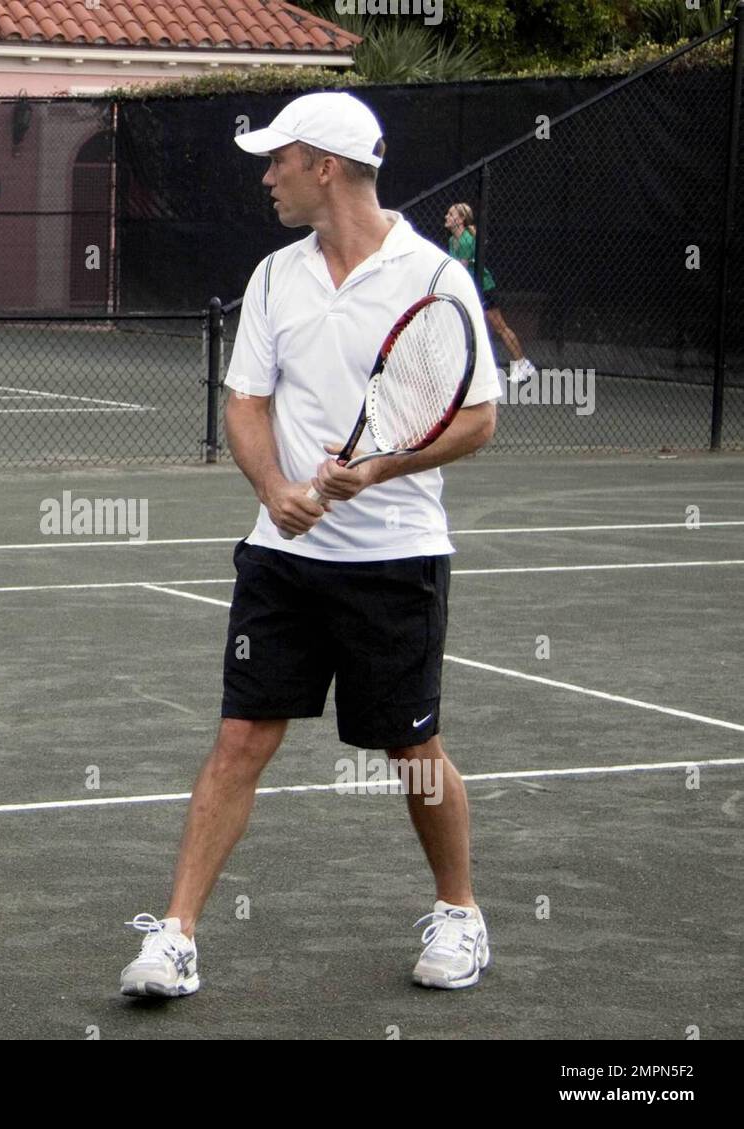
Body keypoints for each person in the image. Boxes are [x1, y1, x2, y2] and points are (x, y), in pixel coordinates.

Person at [120, 93, 501, 996]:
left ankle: (460, 912)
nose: (265, 175)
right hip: (281, 558)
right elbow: (245, 401)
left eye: (276, 160)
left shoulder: (436, 279)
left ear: (323, 167)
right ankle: (174, 936)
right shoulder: (274, 276)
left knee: (412, 748)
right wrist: (276, 490)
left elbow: (479, 419)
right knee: (240, 737)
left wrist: (377, 470)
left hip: (396, 555)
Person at [444, 202, 537, 384]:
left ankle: (522, 363)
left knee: (499, 326)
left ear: (461, 219)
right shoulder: (451, 240)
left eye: (451, 214)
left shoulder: (466, 240)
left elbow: (460, 270)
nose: (446, 217)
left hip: (483, 288)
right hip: (470, 289)